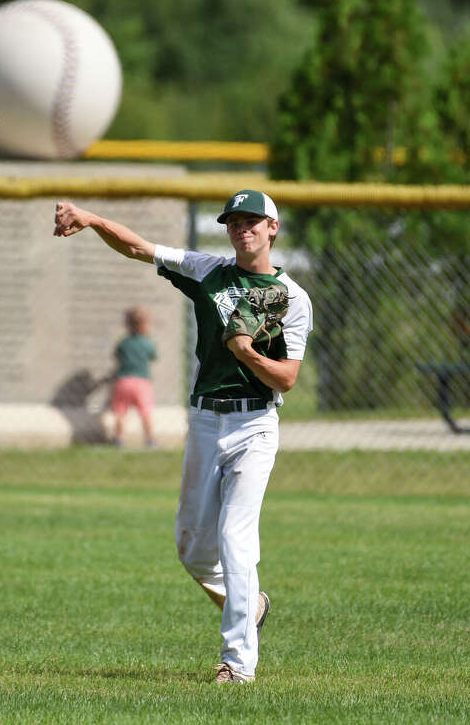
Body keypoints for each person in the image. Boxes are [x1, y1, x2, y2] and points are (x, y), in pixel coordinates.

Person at [54, 190, 314, 684]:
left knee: (236, 539)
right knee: (193, 550)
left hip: (255, 425)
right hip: (203, 422)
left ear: (272, 228)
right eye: (234, 222)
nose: (242, 229)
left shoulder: (292, 298)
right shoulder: (207, 271)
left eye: (252, 221)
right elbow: (139, 248)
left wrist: (246, 354)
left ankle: (237, 665)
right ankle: (250, 603)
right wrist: (90, 218)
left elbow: (287, 378)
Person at [110, 306, 158, 448]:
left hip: (123, 381)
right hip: (141, 382)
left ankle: (118, 439)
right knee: (146, 412)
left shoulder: (124, 343)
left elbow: (117, 356)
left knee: (120, 412)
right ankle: (150, 440)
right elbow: (153, 356)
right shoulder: (147, 342)